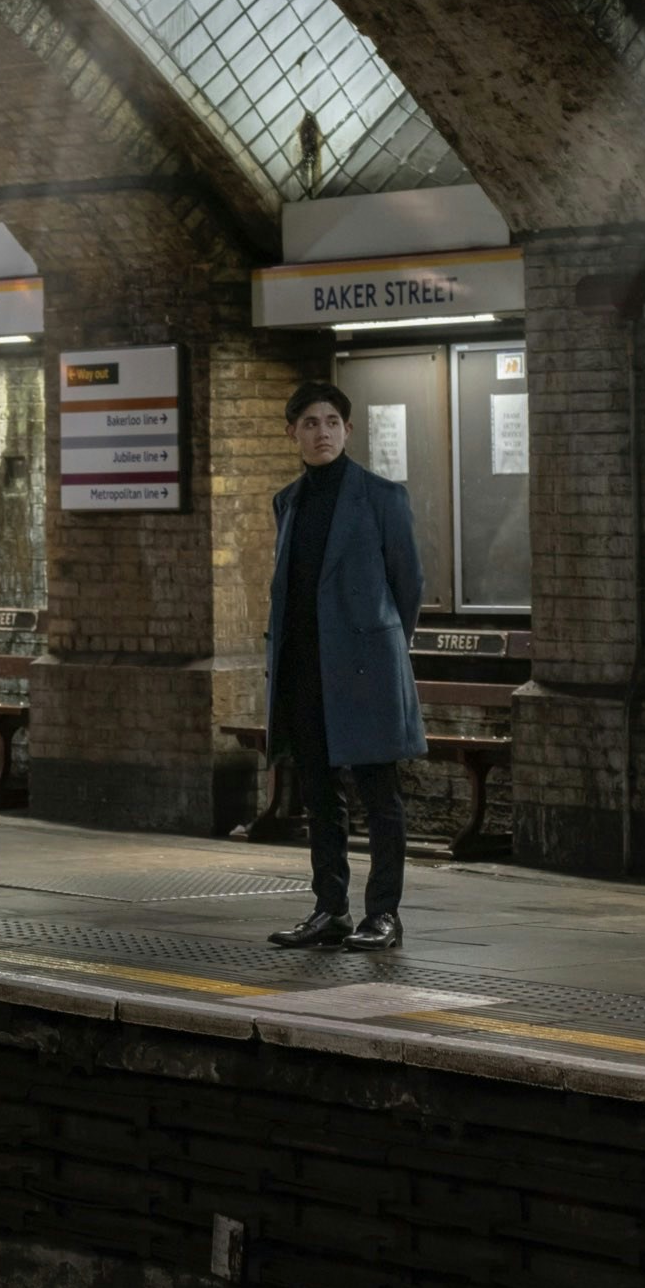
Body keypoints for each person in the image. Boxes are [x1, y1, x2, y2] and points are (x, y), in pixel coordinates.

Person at [263, 381, 424, 954]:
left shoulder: (383, 497)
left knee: (380, 797)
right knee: (319, 797)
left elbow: (408, 588)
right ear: (293, 433)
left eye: (332, 421)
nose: (321, 432)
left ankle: (383, 914)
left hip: (365, 668)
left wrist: (379, 648)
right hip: (305, 669)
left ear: (348, 431)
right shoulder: (288, 501)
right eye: (309, 423)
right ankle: (329, 909)